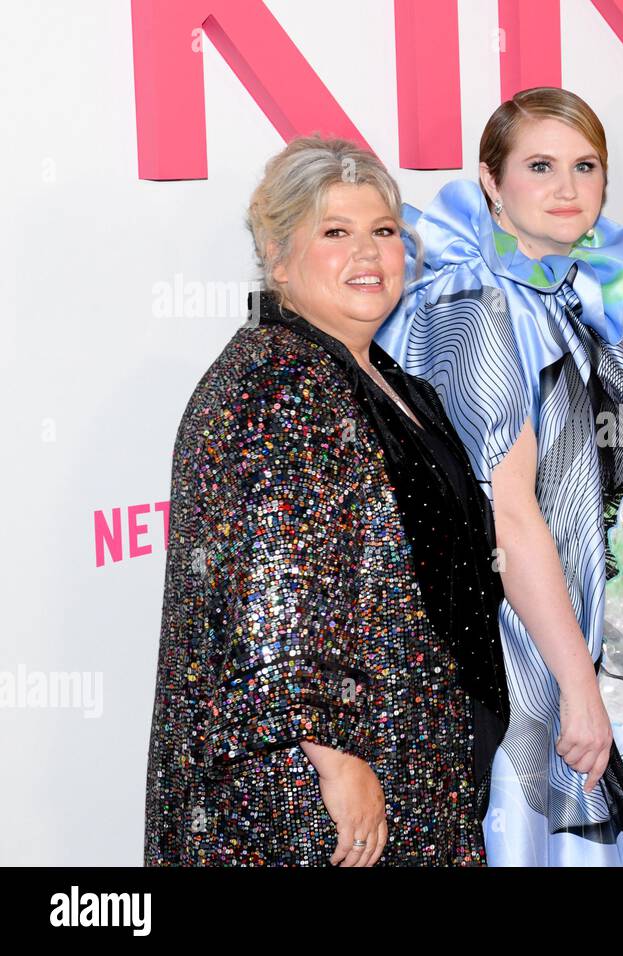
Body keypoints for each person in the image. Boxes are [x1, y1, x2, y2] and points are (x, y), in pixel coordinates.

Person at [376, 88, 623, 866]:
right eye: (540, 166)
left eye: (586, 167)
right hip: (542, 661)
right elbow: (508, 523)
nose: (569, 189)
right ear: (489, 178)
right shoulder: (475, 307)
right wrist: (580, 687)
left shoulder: (585, 295)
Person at [144, 135, 509, 866]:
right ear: (278, 258)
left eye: (383, 231)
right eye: (335, 233)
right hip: (316, 780)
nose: (367, 254)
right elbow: (272, 593)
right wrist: (335, 758)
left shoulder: (389, 381)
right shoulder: (278, 384)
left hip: (407, 744)